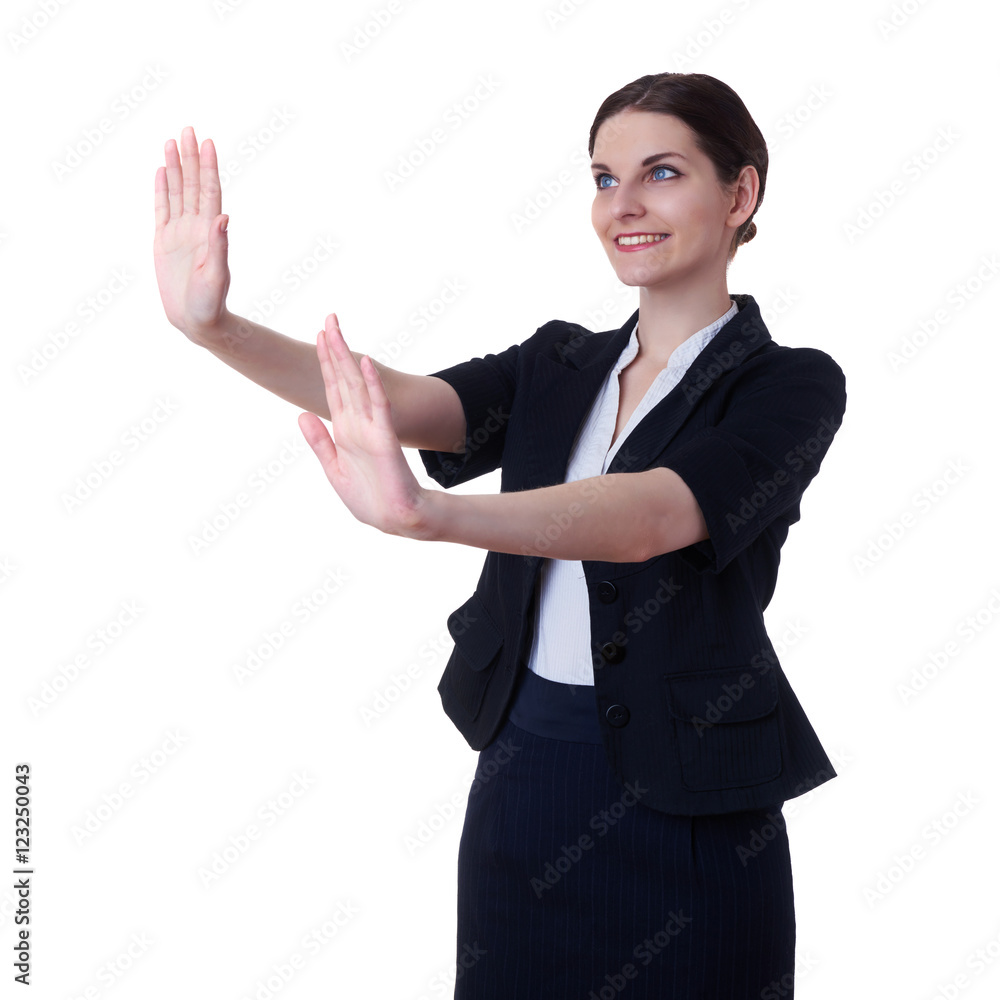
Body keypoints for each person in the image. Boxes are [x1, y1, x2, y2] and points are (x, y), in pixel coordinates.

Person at [153, 71, 847, 999]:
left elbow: (649, 516)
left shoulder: (791, 384)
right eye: (603, 179)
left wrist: (437, 518)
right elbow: (398, 402)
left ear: (741, 193)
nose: (623, 206)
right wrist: (215, 328)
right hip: (527, 770)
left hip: (699, 798)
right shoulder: (558, 361)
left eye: (662, 173)